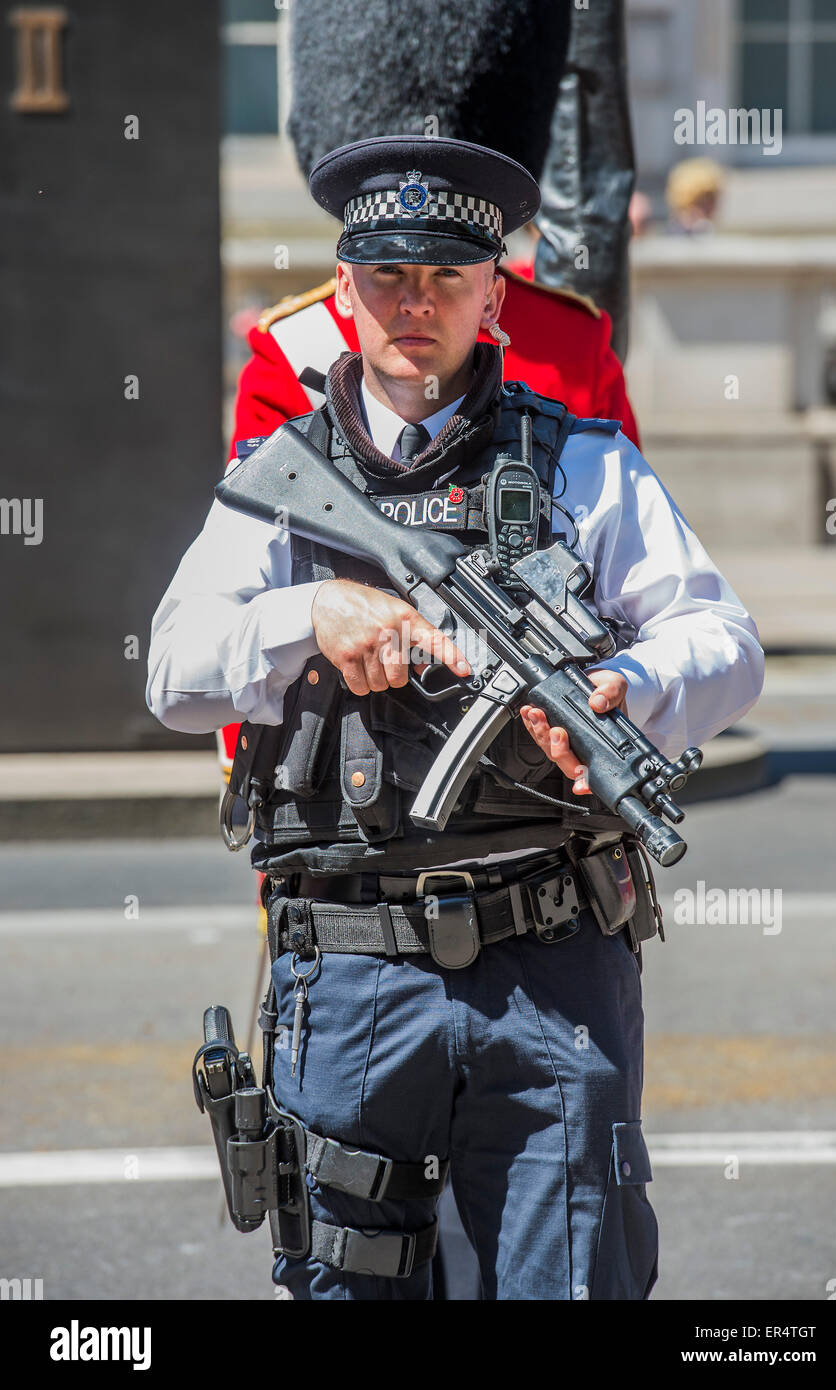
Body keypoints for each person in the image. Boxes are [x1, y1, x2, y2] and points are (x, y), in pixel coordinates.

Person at [147, 134, 764, 1300]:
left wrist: (632, 688)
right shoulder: (281, 480)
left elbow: (723, 643)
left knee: (569, 1275)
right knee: (348, 1277)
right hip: (350, 973)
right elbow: (172, 670)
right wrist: (306, 615)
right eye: (386, 276)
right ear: (343, 290)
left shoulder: (582, 465)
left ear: (493, 294)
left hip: (552, 964)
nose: (412, 304)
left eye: (444, 277)